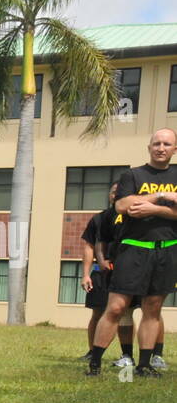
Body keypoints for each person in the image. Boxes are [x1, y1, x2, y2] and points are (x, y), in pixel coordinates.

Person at [88, 131, 177, 376]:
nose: (161, 148)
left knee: (153, 308)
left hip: (167, 250)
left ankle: (144, 365)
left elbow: (140, 207)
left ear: (174, 148)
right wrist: (162, 197)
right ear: (148, 147)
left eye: (167, 144)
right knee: (116, 307)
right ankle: (94, 364)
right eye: (156, 143)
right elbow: (123, 206)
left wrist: (152, 209)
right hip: (132, 249)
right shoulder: (132, 175)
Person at [79, 181, 138, 366]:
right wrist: (86, 274)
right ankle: (93, 352)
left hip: (128, 272)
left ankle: (126, 356)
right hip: (102, 274)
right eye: (113, 192)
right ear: (109, 195)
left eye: (120, 193)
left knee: (125, 313)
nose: (116, 195)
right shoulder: (100, 218)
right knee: (98, 313)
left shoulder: (135, 217)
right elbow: (90, 246)